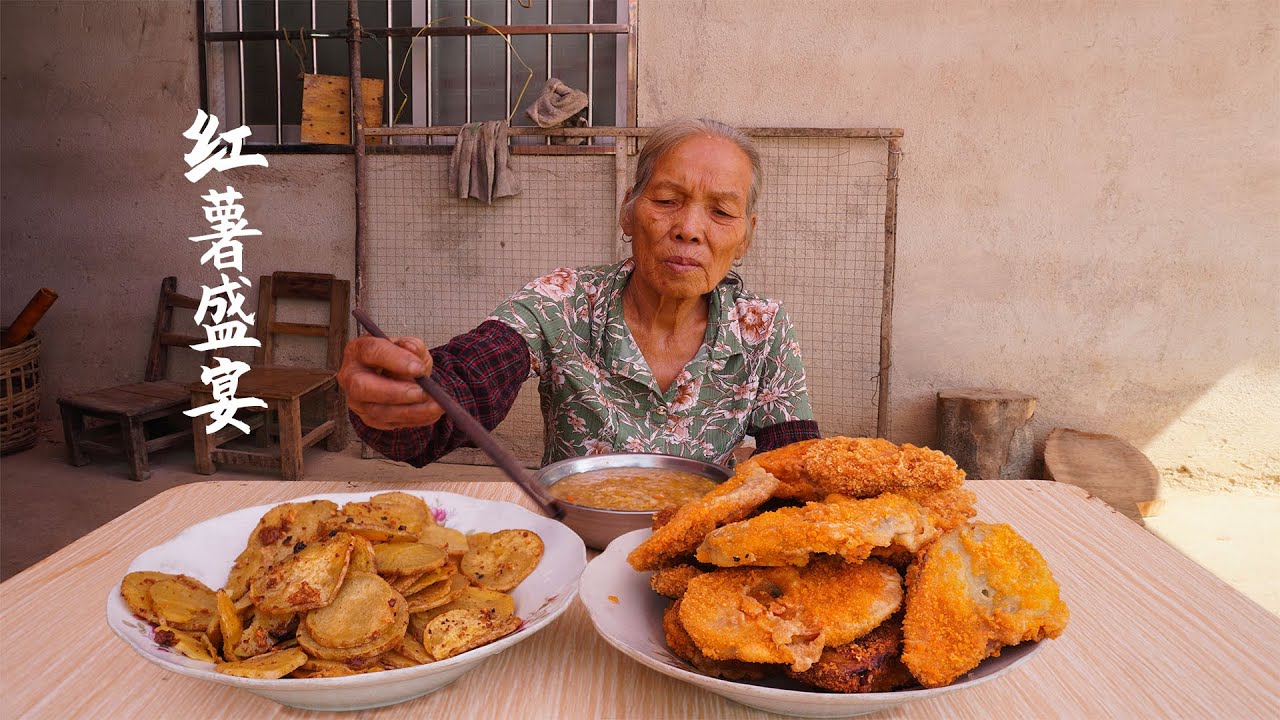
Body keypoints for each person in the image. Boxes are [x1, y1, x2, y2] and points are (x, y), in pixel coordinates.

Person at [339, 118, 820, 468]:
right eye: (667, 201)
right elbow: (473, 376)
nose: (689, 229)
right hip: (576, 541)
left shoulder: (763, 326)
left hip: (700, 557)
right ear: (628, 214)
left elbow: (795, 464)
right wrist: (407, 398)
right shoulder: (564, 301)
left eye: (720, 212)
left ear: (746, 237)